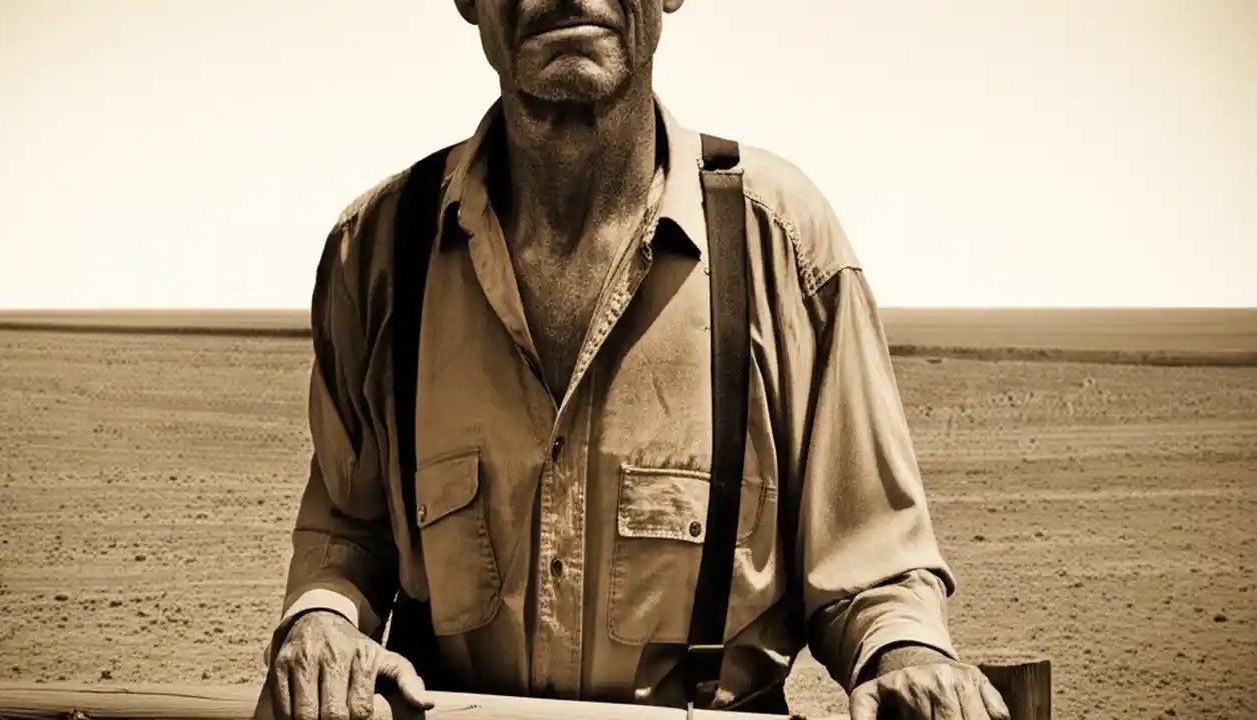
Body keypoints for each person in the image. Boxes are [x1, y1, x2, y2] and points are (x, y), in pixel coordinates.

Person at [262, 2, 1010, 719]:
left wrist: (907, 658)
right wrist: (324, 620)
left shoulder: (782, 246)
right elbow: (349, 532)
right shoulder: (382, 250)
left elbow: (870, 568)